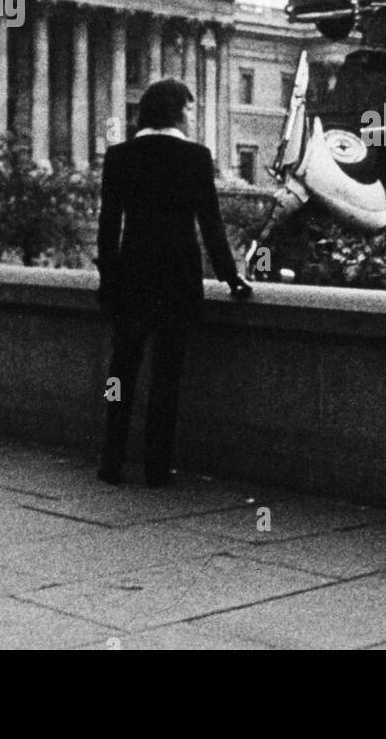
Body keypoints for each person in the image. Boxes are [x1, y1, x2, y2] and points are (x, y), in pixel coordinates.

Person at [95, 78, 252, 486]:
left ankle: (111, 461)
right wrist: (231, 276)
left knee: (121, 372)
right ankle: (156, 468)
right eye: (187, 107)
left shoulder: (120, 156)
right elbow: (211, 224)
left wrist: (108, 279)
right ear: (174, 111)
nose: (190, 113)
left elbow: (108, 225)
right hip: (177, 278)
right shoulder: (196, 157)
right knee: (166, 376)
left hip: (132, 274)